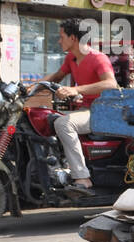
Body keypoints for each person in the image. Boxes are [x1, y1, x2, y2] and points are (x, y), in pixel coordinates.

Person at [33, 18, 118, 193]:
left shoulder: (98, 58)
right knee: (48, 120)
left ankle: (82, 178)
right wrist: (30, 86)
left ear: (73, 38)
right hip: (86, 109)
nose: (59, 40)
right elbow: (56, 77)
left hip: (103, 111)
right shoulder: (71, 59)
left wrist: (75, 89)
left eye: (61, 36)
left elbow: (111, 84)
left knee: (64, 123)